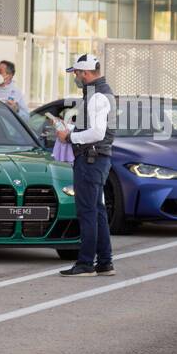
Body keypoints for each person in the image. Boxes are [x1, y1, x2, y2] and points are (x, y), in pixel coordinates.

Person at [57, 52, 115, 278]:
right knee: (97, 211)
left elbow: (98, 132)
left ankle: (85, 263)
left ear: (87, 73)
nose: (76, 77)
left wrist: (69, 138)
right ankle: (104, 262)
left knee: (88, 212)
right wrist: (72, 131)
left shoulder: (97, 96)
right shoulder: (99, 93)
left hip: (91, 160)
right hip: (97, 159)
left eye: (78, 73)